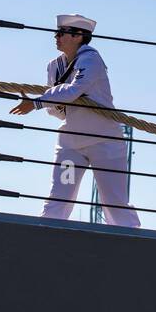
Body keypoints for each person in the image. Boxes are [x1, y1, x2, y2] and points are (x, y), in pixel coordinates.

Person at [9, 14, 140, 228]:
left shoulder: (91, 59)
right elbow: (59, 111)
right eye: (56, 33)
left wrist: (35, 103)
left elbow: (74, 90)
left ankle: (130, 243)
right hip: (72, 146)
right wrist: (48, 103)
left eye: (61, 33)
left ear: (78, 36)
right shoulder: (54, 66)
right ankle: (46, 235)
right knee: (60, 196)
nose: (56, 37)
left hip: (104, 143)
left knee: (114, 202)